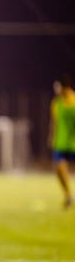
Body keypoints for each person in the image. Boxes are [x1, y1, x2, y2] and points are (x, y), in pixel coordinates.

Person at [49, 73, 75, 209]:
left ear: (66, 87)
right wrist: (51, 137)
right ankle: (68, 195)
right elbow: (54, 122)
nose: (56, 90)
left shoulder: (74, 101)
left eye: (58, 87)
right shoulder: (56, 103)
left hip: (73, 143)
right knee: (59, 169)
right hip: (60, 142)